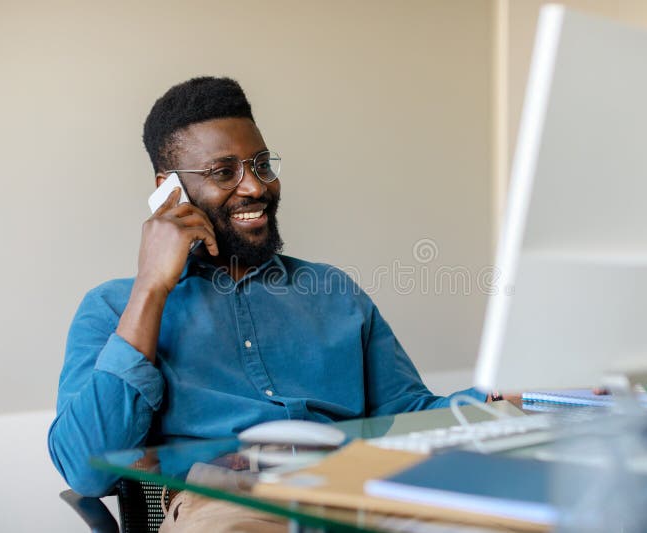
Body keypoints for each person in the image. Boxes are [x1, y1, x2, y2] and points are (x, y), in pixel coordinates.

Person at [48, 76, 488, 531]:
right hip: (232, 503)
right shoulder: (115, 307)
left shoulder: (333, 290)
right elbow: (87, 470)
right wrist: (151, 289)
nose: (256, 187)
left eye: (261, 164)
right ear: (169, 189)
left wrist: (497, 401)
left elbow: (407, 415)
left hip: (361, 490)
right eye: (224, 172)